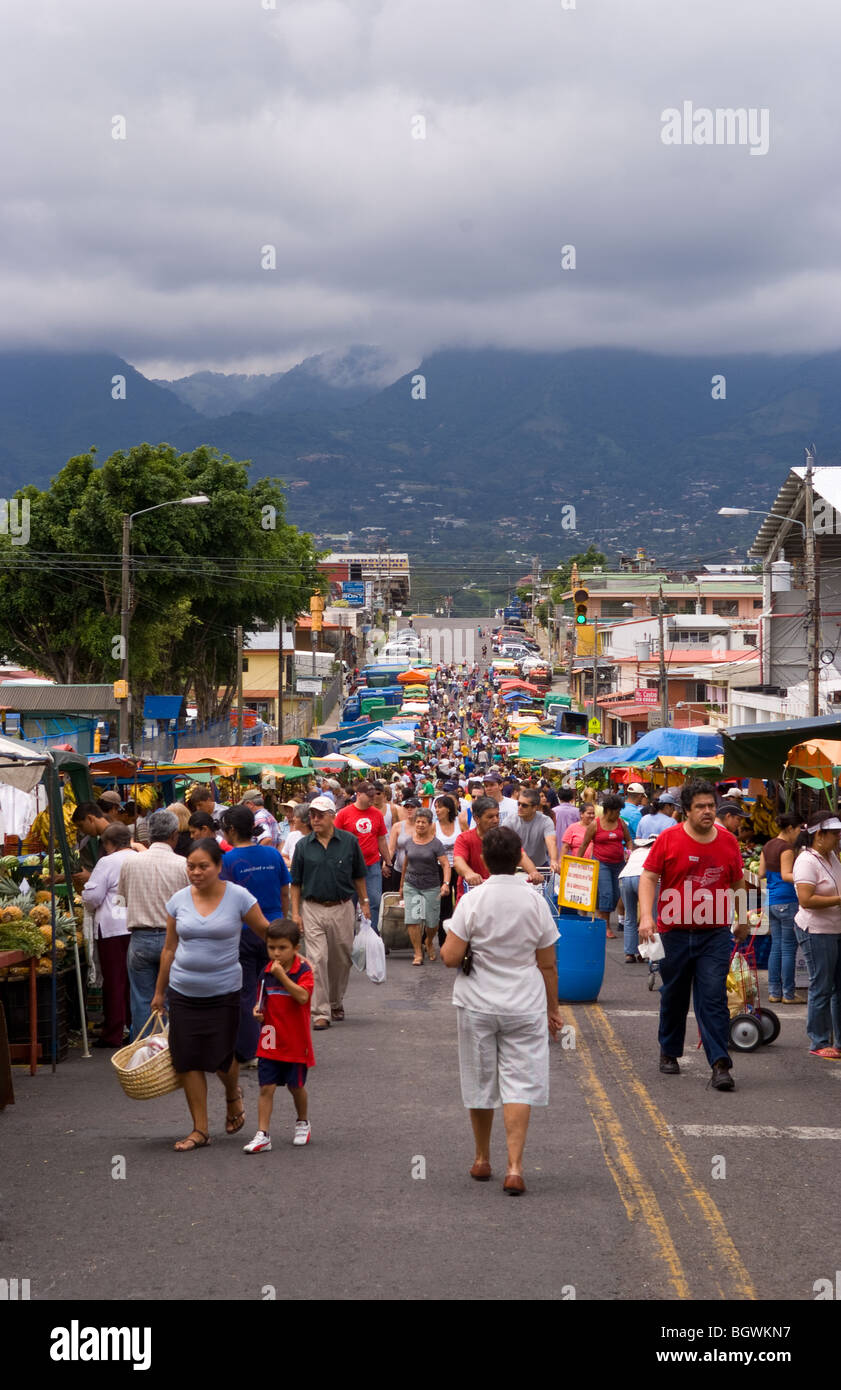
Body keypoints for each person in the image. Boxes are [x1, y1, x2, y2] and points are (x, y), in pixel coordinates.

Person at [441, 826, 563, 1195]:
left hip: (478, 1001)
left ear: (484, 861)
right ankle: (514, 1166)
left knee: (480, 1080)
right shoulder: (535, 901)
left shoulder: (472, 901)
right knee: (520, 1083)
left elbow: (449, 958)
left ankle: (482, 1158)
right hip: (525, 1003)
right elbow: (548, 964)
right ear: (518, 858)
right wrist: (553, 1010)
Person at [150, 838, 271, 1151]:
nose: (196, 872)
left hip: (224, 990)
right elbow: (169, 948)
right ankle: (199, 1130)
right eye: (191, 866)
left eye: (204, 866)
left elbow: (266, 933)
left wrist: (290, 961)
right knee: (187, 1058)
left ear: (219, 867)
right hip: (183, 990)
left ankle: (233, 1095)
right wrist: (159, 992)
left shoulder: (239, 897)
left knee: (221, 1057)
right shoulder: (177, 900)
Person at [638, 779, 749, 1090]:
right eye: (700, 806)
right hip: (673, 932)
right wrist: (647, 917)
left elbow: (738, 882)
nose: (707, 811)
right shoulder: (669, 839)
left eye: (711, 806)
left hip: (713, 933)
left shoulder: (728, 841)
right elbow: (648, 877)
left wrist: (743, 918)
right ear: (686, 810)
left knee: (713, 996)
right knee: (673, 994)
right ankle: (669, 1051)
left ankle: (720, 1063)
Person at [288, 796, 368, 1031]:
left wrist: (364, 902)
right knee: (317, 959)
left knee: (341, 959)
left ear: (333, 816)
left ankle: (335, 1002)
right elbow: (296, 883)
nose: (315, 819)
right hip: (312, 907)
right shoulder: (303, 846)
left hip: (342, 907)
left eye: (320, 815)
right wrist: (295, 913)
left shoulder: (349, 842)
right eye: (312, 815)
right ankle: (320, 1011)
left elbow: (358, 875)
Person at [220, 804, 292, 1066]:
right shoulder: (273, 855)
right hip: (275, 931)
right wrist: (283, 921)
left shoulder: (227, 861)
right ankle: (277, 1046)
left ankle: (250, 1051)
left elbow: (224, 900)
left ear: (230, 830)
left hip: (244, 932)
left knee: (247, 991)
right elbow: (285, 892)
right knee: (275, 989)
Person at [243, 921, 315, 1154]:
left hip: (295, 1041)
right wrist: (257, 1011)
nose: (276, 953)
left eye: (282, 947)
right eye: (271, 947)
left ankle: (302, 1121)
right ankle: (263, 1134)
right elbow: (262, 1001)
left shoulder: (303, 971)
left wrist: (283, 977)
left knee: (296, 1086)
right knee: (266, 1088)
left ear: (295, 947)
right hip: (270, 1040)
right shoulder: (266, 972)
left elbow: (303, 997)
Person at [118, 809, 189, 1039]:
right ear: (174, 835)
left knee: (141, 1001)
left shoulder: (130, 863)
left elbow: (121, 901)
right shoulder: (183, 864)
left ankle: (143, 1053)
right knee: (173, 998)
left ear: (148, 836)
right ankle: (170, 1053)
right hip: (174, 941)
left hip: (140, 939)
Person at [81, 822, 136, 1047]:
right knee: (135, 981)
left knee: (115, 981)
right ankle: (135, 1027)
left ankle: (113, 1032)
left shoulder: (107, 862)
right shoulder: (139, 857)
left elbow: (93, 897)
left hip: (113, 928)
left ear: (109, 844)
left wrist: (85, 895)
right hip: (137, 924)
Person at [793, 816, 841, 1059]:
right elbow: (806, 899)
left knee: (838, 988)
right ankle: (819, 1040)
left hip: (836, 928)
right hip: (817, 931)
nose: (838, 837)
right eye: (834, 833)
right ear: (819, 835)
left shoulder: (831, 856)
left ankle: (838, 1041)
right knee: (822, 986)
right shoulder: (805, 861)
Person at [453, 796, 541, 896]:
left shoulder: (505, 836)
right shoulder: (464, 838)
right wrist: (469, 873)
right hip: (472, 894)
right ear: (476, 818)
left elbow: (521, 856)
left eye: (497, 816)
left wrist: (533, 872)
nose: (496, 820)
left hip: (498, 894)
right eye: (490, 817)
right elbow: (458, 861)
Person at [334, 781, 392, 932]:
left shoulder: (377, 814)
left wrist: (388, 861)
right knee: (349, 903)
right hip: (349, 866)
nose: (373, 799)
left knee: (375, 900)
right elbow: (335, 840)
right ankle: (349, 938)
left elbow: (381, 839)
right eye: (369, 796)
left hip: (371, 864)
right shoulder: (344, 814)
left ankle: (371, 934)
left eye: (374, 795)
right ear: (359, 795)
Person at [759, 812, 804, 1004]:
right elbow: (787, 875)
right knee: (787, 949)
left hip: (771, 900)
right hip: (787, 899)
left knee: (776, 948)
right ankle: (788, 994)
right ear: (790, 829)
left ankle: (774, 992)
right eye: (798, 829)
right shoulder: (786, 848)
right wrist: (808, 877)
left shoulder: (768, 845)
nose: (800, 833)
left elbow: (761, 872)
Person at [401, 808, 451, 965]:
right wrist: (402, 885)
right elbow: (405, 864)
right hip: (412, 884)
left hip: (431, 886)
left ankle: (429, 941)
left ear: (430, 825)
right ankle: (417, 952)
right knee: (413, 919)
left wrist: (446, 883)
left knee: (432, 922)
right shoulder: (409, 842)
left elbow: (445, 865)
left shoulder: (436, 844)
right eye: (418, 821)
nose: (420, 825)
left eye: (424, 822)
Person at [579, 794, 633, 938]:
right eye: (617, 811)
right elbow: (584, 844)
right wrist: (577, 863)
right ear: (608, 810)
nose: (618, 814)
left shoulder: (620, 822)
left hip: (619, 864)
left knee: (616, 894)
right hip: (601, 863)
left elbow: (628, 840)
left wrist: (629, 852)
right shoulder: (595, 825)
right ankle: (606, 926)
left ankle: (601, 916)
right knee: (607, 893)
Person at [618, 835, 657, 963]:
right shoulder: (655, 851)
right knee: (649, 916)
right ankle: (646, 953)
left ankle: (629, 953)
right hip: (643, 878)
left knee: (630, 916)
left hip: (624, 878)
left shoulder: (636, 852)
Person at [501, 788, 559, 873]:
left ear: (534, 807)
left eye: (524, 805)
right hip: (517, 868)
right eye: (518, 804)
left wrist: (553, 860)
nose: (520, 807)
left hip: (540, 866)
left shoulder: (545, 821)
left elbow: (551, 842)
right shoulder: (509, 821)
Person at [281, 804, 311, 871]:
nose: (293, 818)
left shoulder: (316, 838)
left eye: (296, 816)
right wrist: (292, 864)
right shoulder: (292, 836)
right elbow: (283, 856)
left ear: (305, 821)